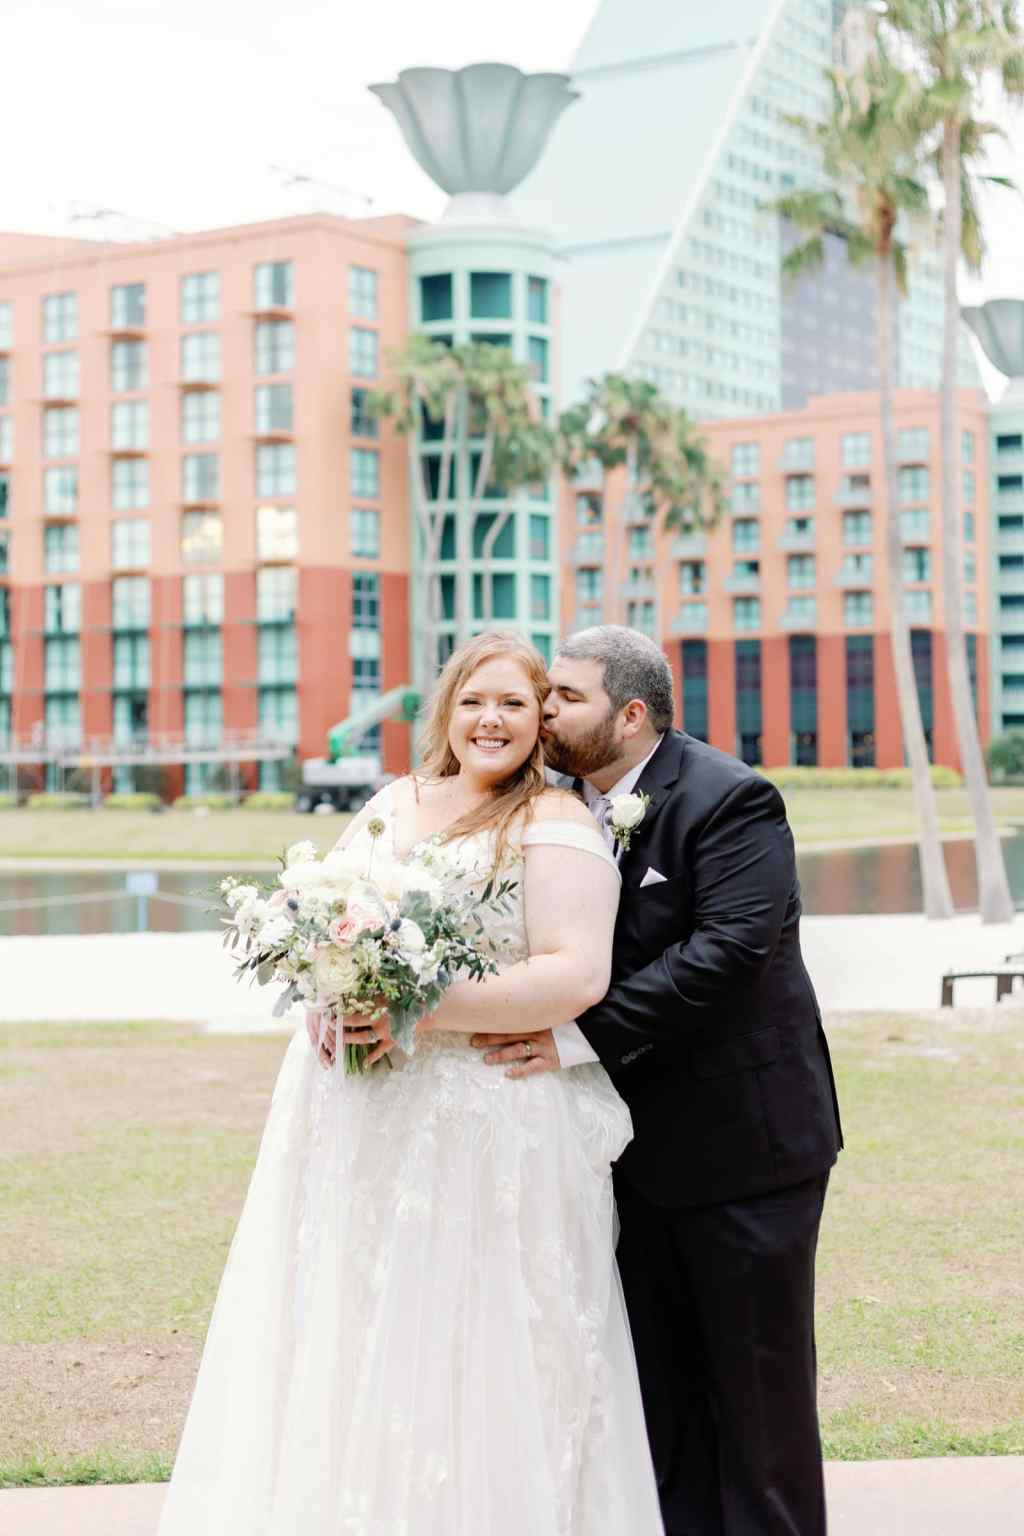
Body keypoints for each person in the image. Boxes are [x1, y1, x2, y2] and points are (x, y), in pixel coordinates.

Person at [157, 631, 664, 1536]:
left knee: (478, 1338)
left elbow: (576, 975)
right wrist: (327, 993)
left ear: (541, 719)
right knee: (358, 1323)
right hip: (364, 1116)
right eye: (474, 700)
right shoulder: (395, 802)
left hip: (488, 1122)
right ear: (447, 711)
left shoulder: (556, 820)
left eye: (515, 702)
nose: (491, 720)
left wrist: (413, 1012)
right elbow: (325, 921)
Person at [474, 625, 843, 1536]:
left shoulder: (731, 799)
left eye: (566, 697)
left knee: (759, 1406)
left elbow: (727, 953)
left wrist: (573, 1035)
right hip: (626, 1157)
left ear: (631, 715)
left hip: (745, 1151)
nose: (545, 710)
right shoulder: (559, 805)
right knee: (659, 1407)